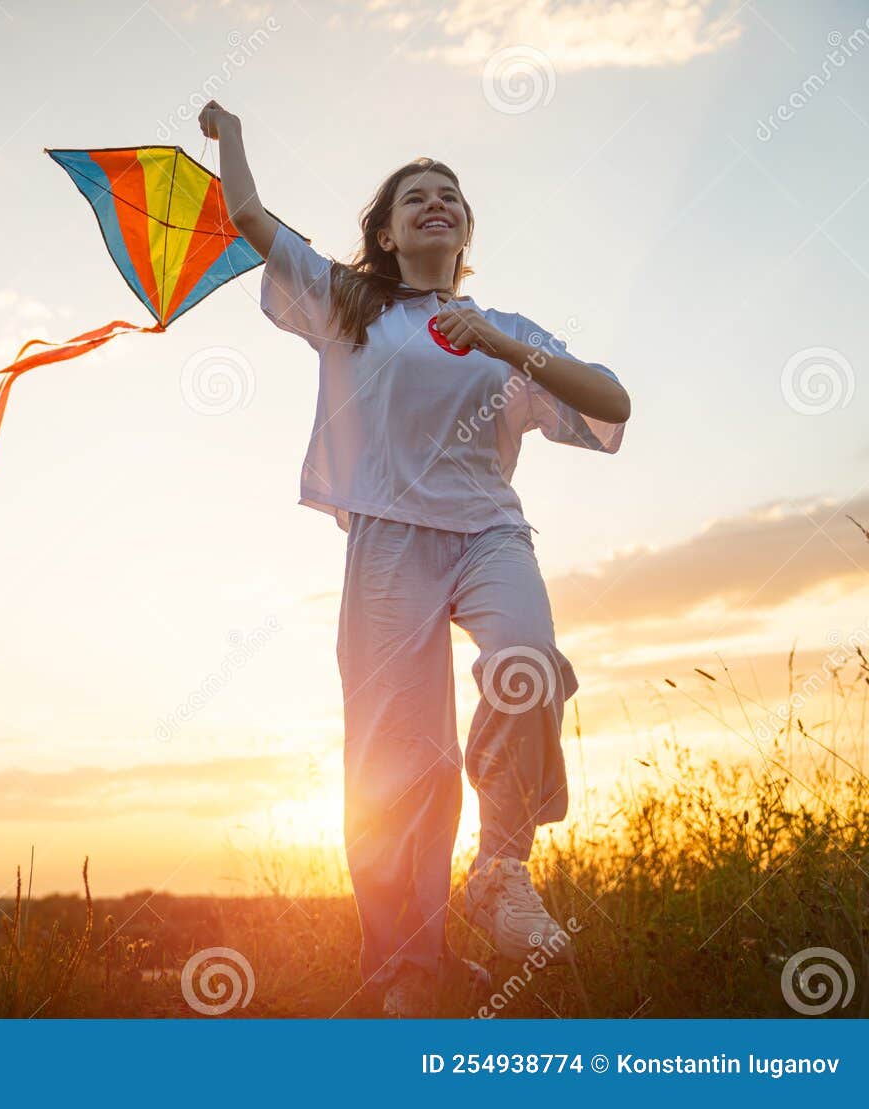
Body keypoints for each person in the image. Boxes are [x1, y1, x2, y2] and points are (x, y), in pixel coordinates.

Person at [198, 101, 630, 1017]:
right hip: (389, 540)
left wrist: (509, 348)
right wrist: (231, 131)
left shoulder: (504, 324)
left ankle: (501, 868)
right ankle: (408, 966)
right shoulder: (348, 306)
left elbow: (612, 401)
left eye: (451, 196)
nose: (435, 204)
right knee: (403, 760)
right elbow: (247, 217)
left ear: (466, 229)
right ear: (387, 235)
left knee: (525, 665)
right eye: (414, 198)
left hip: (489, 532)